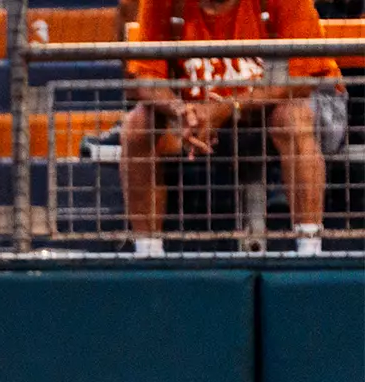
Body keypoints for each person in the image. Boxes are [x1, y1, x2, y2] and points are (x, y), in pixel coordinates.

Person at [120, 0, 337, 255]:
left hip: (293, 110)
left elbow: (304, 79)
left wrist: (228, 107)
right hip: (201, 116)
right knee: (137, 125)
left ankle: (310, 249)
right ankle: (147, 252)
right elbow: (145, 77)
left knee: (292, 117)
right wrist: (181, 111)